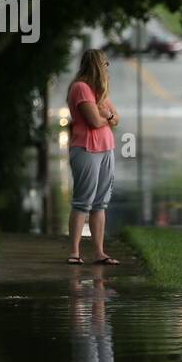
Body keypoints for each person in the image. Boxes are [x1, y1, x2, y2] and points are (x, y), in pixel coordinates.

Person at [66, 48, 121, 265]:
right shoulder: (81, 88)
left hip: (106, 148)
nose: (107, 67)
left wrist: (107, 115)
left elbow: (117, 118)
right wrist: (106, 115)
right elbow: (95, 122)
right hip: (86, 149)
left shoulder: (99, 92)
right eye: (105, 63)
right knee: (82, 202)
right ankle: (74, 252)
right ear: (97, 65)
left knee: (100, 203)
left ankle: (99, 253)